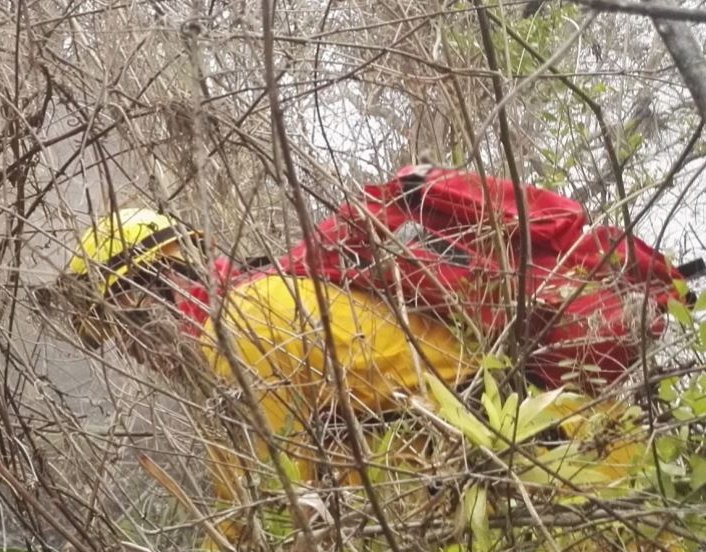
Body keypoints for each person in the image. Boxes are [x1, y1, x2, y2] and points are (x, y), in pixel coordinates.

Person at [58, 207, 477, 498]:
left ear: (165, 283)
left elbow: (268, 498)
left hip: (473, 457)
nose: (131, 351)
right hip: (448, 450)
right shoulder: (251, 302)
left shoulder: (238, 330)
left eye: (127, 327)